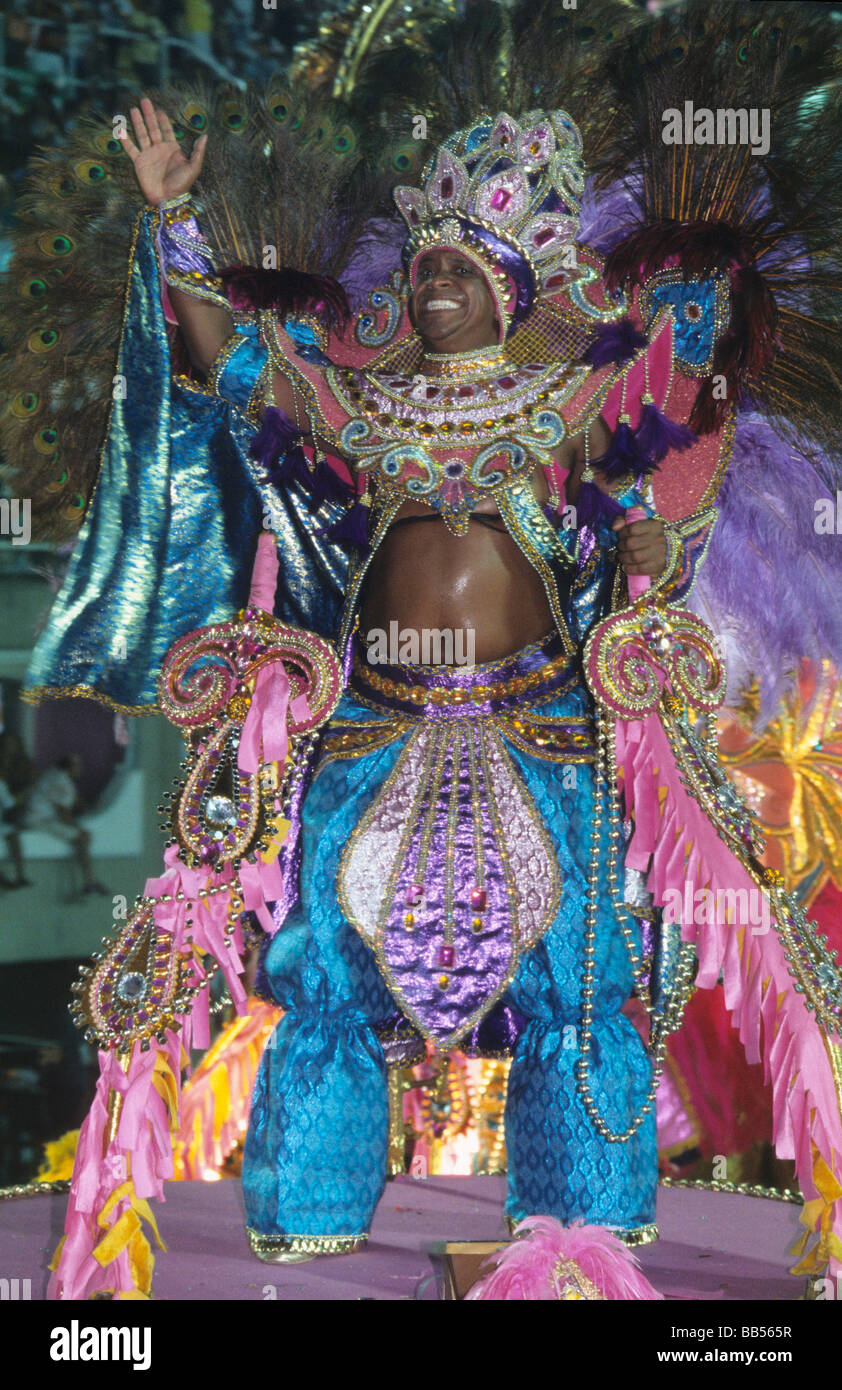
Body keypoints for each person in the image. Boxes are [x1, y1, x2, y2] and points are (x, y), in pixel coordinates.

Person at [22, 9, 842, 1298]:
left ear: (510, 290)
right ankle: (305, 1211)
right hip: (371, 725)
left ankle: (580, 1222)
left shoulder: (570, 397)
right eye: (420, 267)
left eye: (458, 267)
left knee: (580, 980)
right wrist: (174, 225)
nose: (428, 283)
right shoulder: (357, 398)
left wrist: (700, 272)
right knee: (322, 977)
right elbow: (230, 358)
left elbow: (682, 369)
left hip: (543, 724)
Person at [22, 755, 108, 895]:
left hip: (33, 816)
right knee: (83, 837)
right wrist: (78, 829)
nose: (80, 769)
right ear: (71, 767)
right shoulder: (64, 783)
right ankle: (89, 881)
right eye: (78, 766)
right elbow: (64, 814)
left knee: (80, 836)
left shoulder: (52, 774)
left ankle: (89, 880)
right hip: (41, 820)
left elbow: (67, 799)